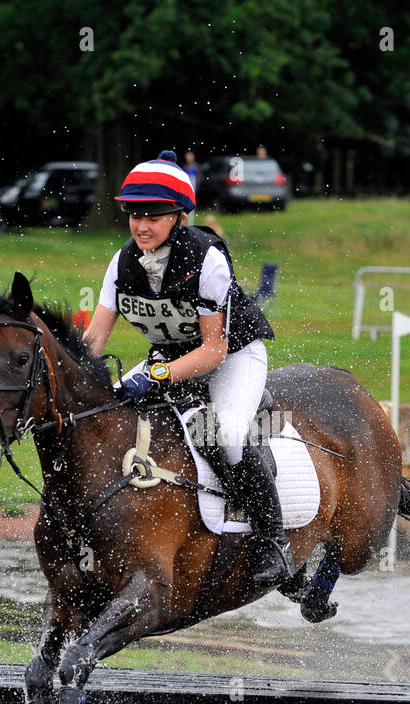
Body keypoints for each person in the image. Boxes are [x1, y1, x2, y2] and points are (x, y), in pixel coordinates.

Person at [82, 149, 293, 587]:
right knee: (105, 418)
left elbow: (213, 350)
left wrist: (156, 376)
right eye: (134, 215)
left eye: (154, 216)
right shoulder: (121, 263)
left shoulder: (207, 259)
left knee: (227, 437)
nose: (141, 226)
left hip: (232, 356)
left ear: (179, 217)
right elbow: (95, 339)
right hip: (172, 356)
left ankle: (275, 541)